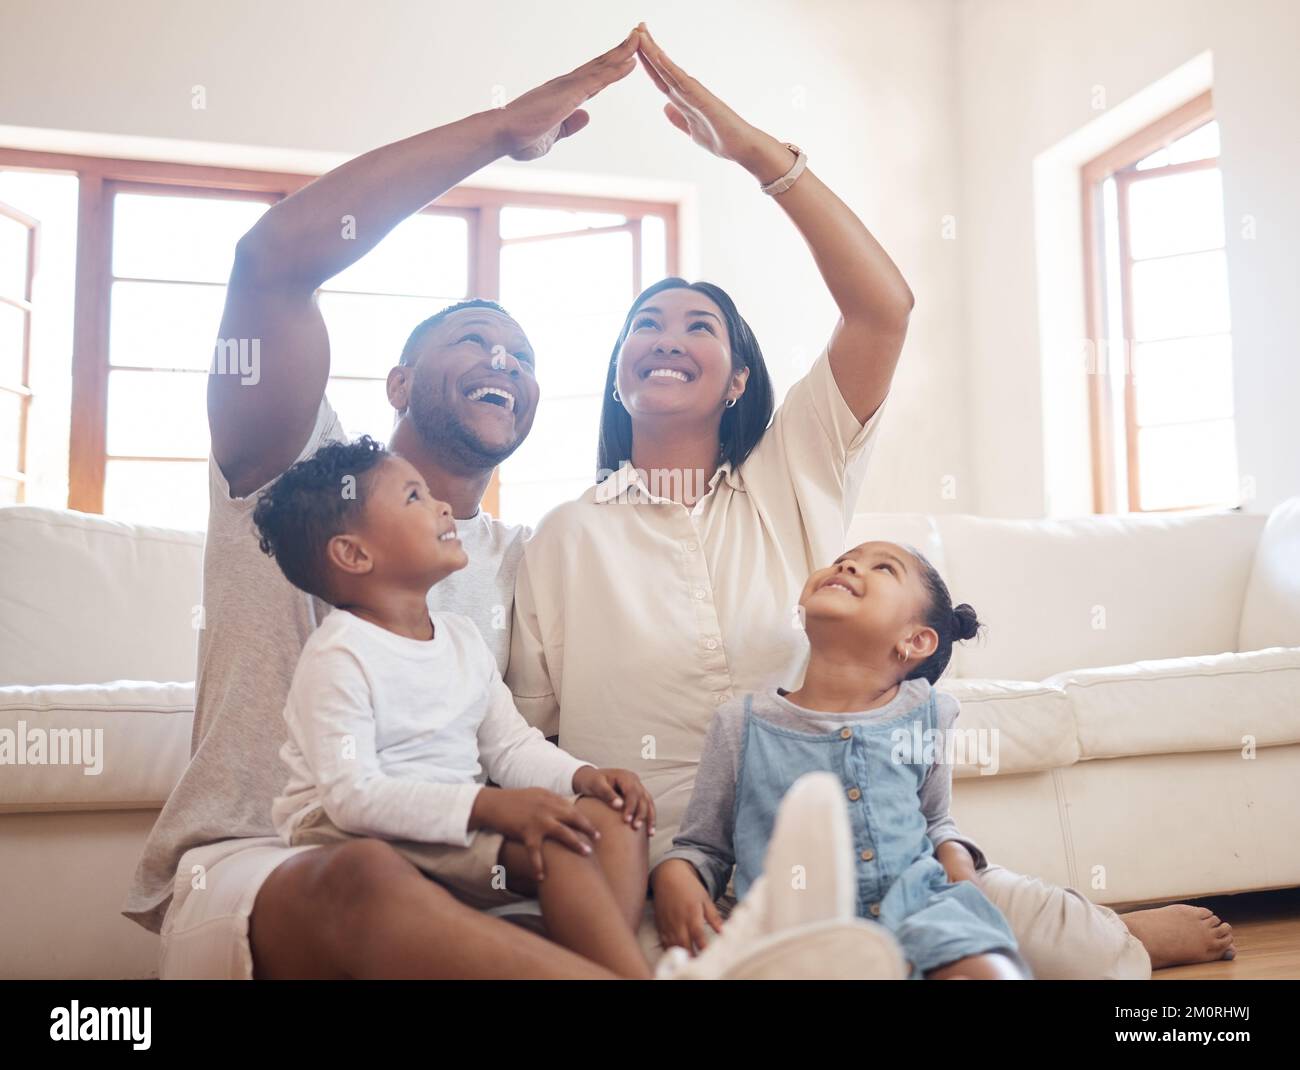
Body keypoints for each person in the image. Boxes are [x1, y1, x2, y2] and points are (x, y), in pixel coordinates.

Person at [506, 24, 1236, 978]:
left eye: (700, 326)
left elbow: (883, 308)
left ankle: (1111, 933)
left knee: (1076, 955)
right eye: (645, 326)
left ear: (735, 380)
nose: (667, 336)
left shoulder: (789, 473)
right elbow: (529, 727)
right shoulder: (563, 537)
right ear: (618, 380)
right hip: (663, 868)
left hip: (866, 848)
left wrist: (756, 155)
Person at [121, 31, 655, 980]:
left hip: (455, 861)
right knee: (365, 877)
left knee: (587, 835)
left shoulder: (523, 556)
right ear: (400, 382)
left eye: (524, 357)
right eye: (475, 341)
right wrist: (498, 132)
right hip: (272, 860)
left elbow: (519, 742)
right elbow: (272, 263)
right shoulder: (303, 478)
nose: (506, 362)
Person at [251, 437, 656, 978]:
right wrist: (489, 808)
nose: (442, 505)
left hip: (454, 830)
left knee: (605, 820)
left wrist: (586, 778)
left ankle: (590, 961)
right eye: (414, 497)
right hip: (357, 832)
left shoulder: (462, 639)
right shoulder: (338, 652)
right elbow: (352, 797)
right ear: (354, 554)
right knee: (557, 847)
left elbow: (510, 748)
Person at [660, 540, 1029, 979]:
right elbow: (704, 846)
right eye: (842, 561)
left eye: (884, 568)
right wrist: (675, 876)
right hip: (798, 928)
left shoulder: (928, 712)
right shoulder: (742, 724)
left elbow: (934, 822)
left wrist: (962, 871)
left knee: (993, 973)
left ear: (915, 641)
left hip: (920, 911)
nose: (850, 565)